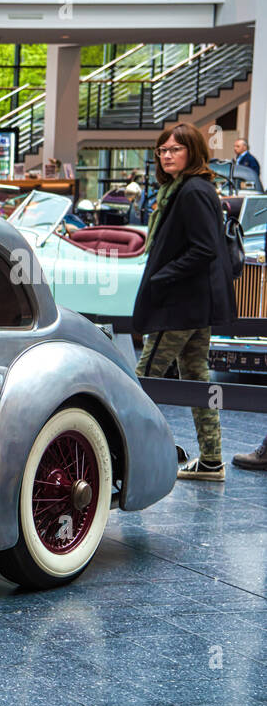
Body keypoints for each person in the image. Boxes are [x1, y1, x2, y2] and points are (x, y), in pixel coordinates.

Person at [132, 122, 237, 482]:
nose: (166, 155)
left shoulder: (191, 191)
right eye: (162, 150)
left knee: (141, 381)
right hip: (195, 302)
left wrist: (162, 277)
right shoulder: (190, 188)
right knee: (196, 378)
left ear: (192, 151)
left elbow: (205, 248)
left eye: (174, 149)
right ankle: (211, 459)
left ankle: (129, 457)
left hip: (180, 304)